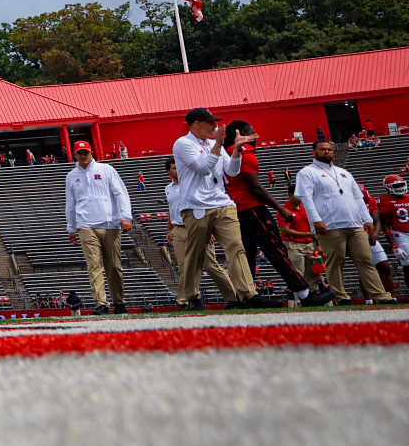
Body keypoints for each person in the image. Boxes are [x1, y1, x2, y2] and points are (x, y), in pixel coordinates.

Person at [168, 109, 272, 309]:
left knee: (236, 247)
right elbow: (203, 168)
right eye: (211, 123)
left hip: (222, 203)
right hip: (196, 206)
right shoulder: (183, 143)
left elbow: (231, 170)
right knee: (196, 254)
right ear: (197, 124)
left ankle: (248, 295)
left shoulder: (213, 143)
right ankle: (192, 297)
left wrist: (237, 150)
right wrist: (217, 144)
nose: (215, 126)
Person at [223, 123, 321, 307]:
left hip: (236, 208)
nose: (256, 136)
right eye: (252, 132)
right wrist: (280, 208)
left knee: (246, 254)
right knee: (276, 249)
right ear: (241, 134)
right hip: (251, 206)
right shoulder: (245, 154)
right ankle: (304, 294)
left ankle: (246, 297)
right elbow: (255, 188)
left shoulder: (226, 152)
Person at [295, 138, 396, 305]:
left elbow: (357, 198)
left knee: (366, 260)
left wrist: (367, 219)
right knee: (335, 262)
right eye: (322, 149)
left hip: (355, 224)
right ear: (314, 152)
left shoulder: (344, 172)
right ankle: (341, 297)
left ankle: (381, 295)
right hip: (330, 225)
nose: (327, 152)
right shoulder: (307, 172)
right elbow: (306, 198)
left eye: (329, 149)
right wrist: (316, 220)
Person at [63, 141, 133, 314]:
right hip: (85, 225)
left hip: (110, 223)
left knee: (114, 266)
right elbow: (70, 203)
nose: (83, 156)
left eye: (86, 152)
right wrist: (71, 227)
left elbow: (120, 193)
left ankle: (119, 302)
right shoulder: (71, 176)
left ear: (92, 152)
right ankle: (101, 303)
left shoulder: (106, 169)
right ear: (74, 154)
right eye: (80, 153)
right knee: (94, 265)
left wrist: (125, 216)